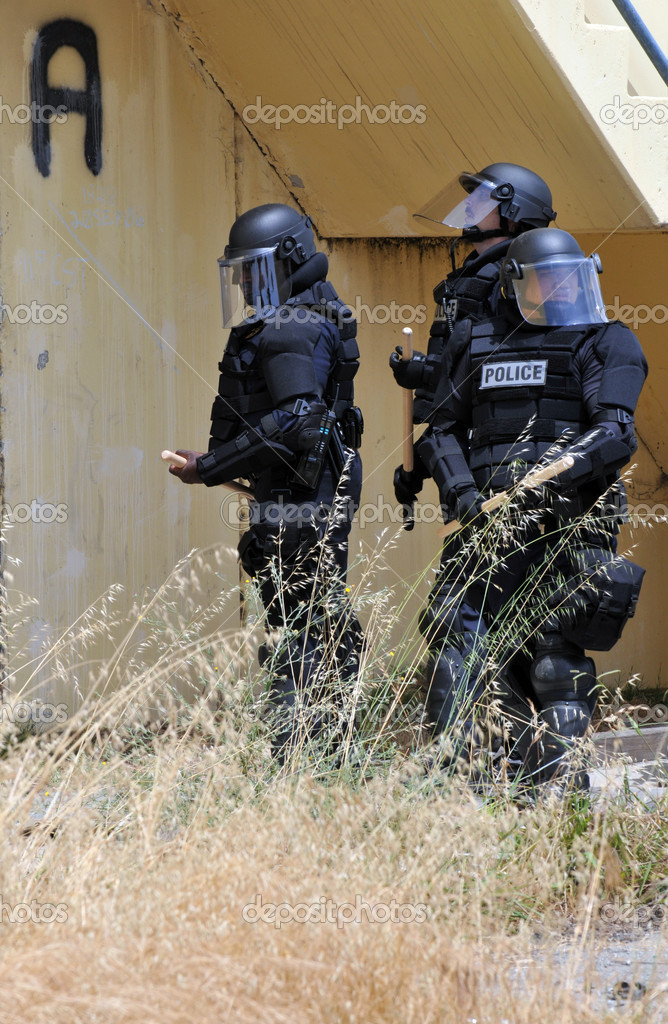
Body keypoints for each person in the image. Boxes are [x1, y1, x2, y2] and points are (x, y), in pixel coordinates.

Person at [410, 227, 648, 792]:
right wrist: (463, 493)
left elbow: (615, 433)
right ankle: (461, 787)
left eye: (569, 281)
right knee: (457, 652)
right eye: (546, 281)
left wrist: (555, 475)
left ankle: (556, 793)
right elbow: (439, 431)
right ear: (514, 286)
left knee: (552, 663)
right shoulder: (477, 343)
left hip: (567, 527)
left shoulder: (604, 340)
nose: (560, 292)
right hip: (485, 528)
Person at [169, 202, 364, 762]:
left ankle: (300, 762)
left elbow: (299, 421)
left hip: (304, 499)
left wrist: (208, 468)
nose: (250, 288)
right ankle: (323, 756)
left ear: (290, 261)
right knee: (308, 622)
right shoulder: (299, 320)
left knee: (299, 632)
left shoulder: (291, 331)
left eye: (256, 273)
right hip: (297, 494)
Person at [392, 162, 556, 527]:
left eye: (482, 198)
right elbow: (461, 373)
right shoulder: (472, 273)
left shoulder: (515, 278)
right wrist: (422, 461)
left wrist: (425, 371)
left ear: (513, 213)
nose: (469, 206)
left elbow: (501, 372)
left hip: (497, 458)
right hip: (461, 452)